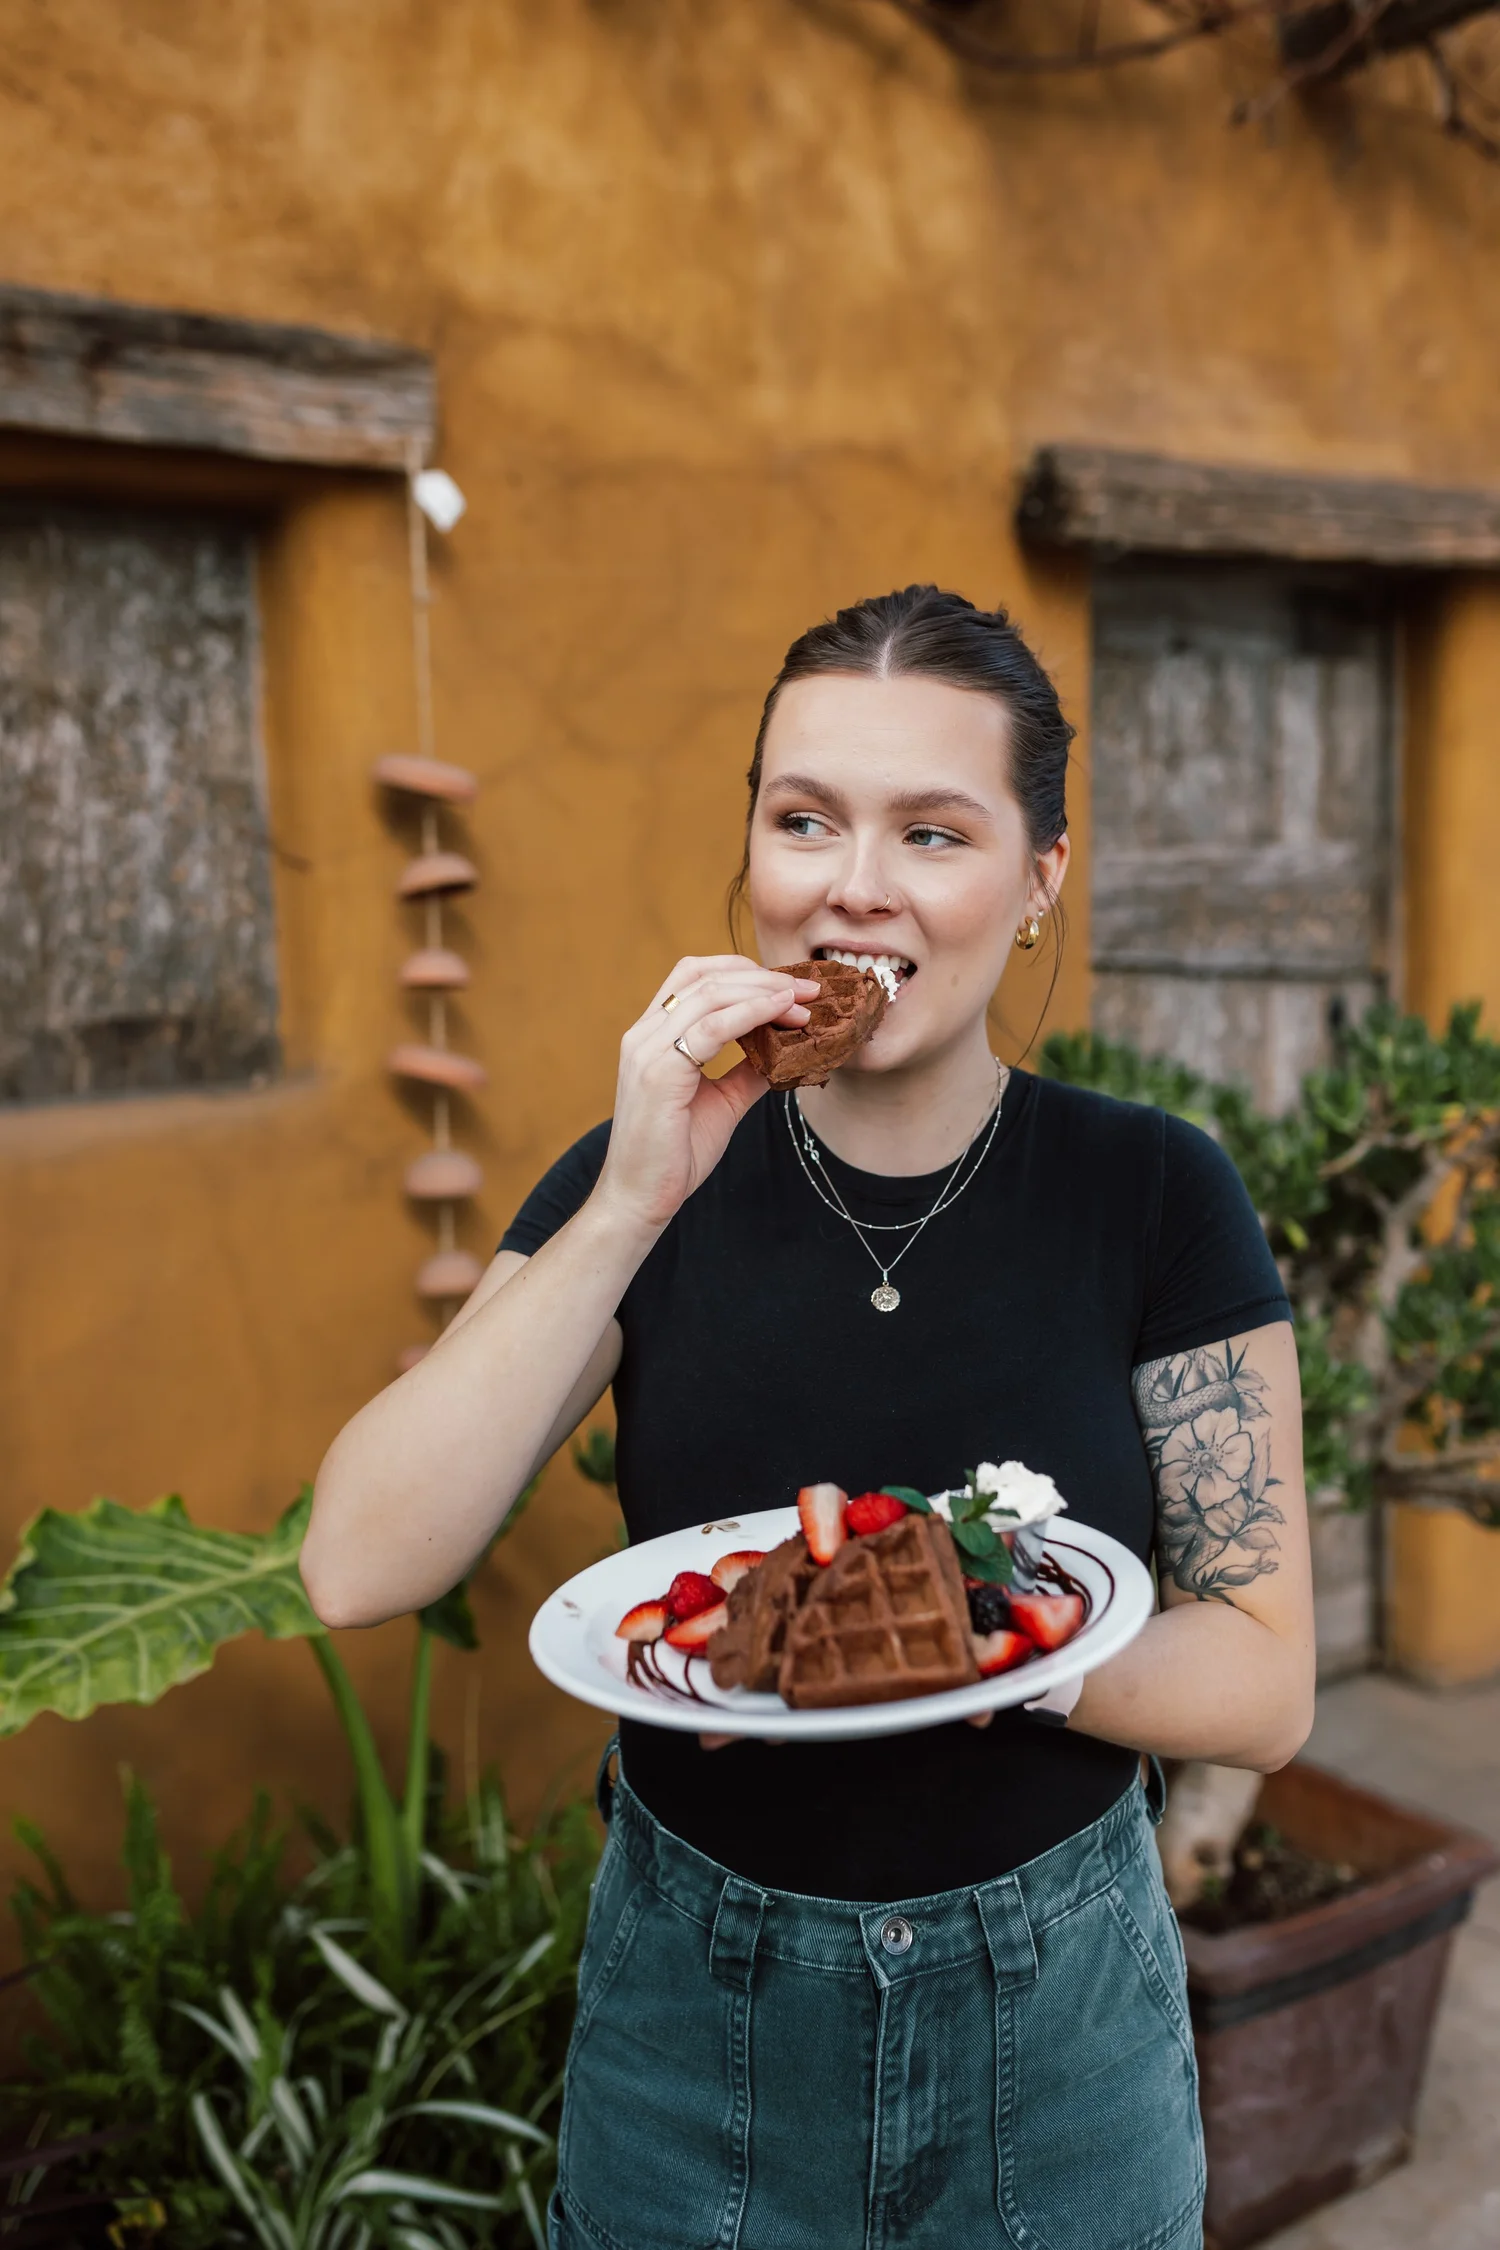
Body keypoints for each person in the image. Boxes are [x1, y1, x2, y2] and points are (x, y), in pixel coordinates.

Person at [303, 585, 1315, 2250]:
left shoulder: (1153, 1195)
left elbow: (1265, 1683)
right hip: (698, 2008)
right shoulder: (637, 1179)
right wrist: (633, 1197)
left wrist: (959, 1643)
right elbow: (356, 1559)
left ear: (1041, 877)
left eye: (934, 829)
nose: (856, 882)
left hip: (1055, 2017)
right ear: (754, 854)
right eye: (805, 819)